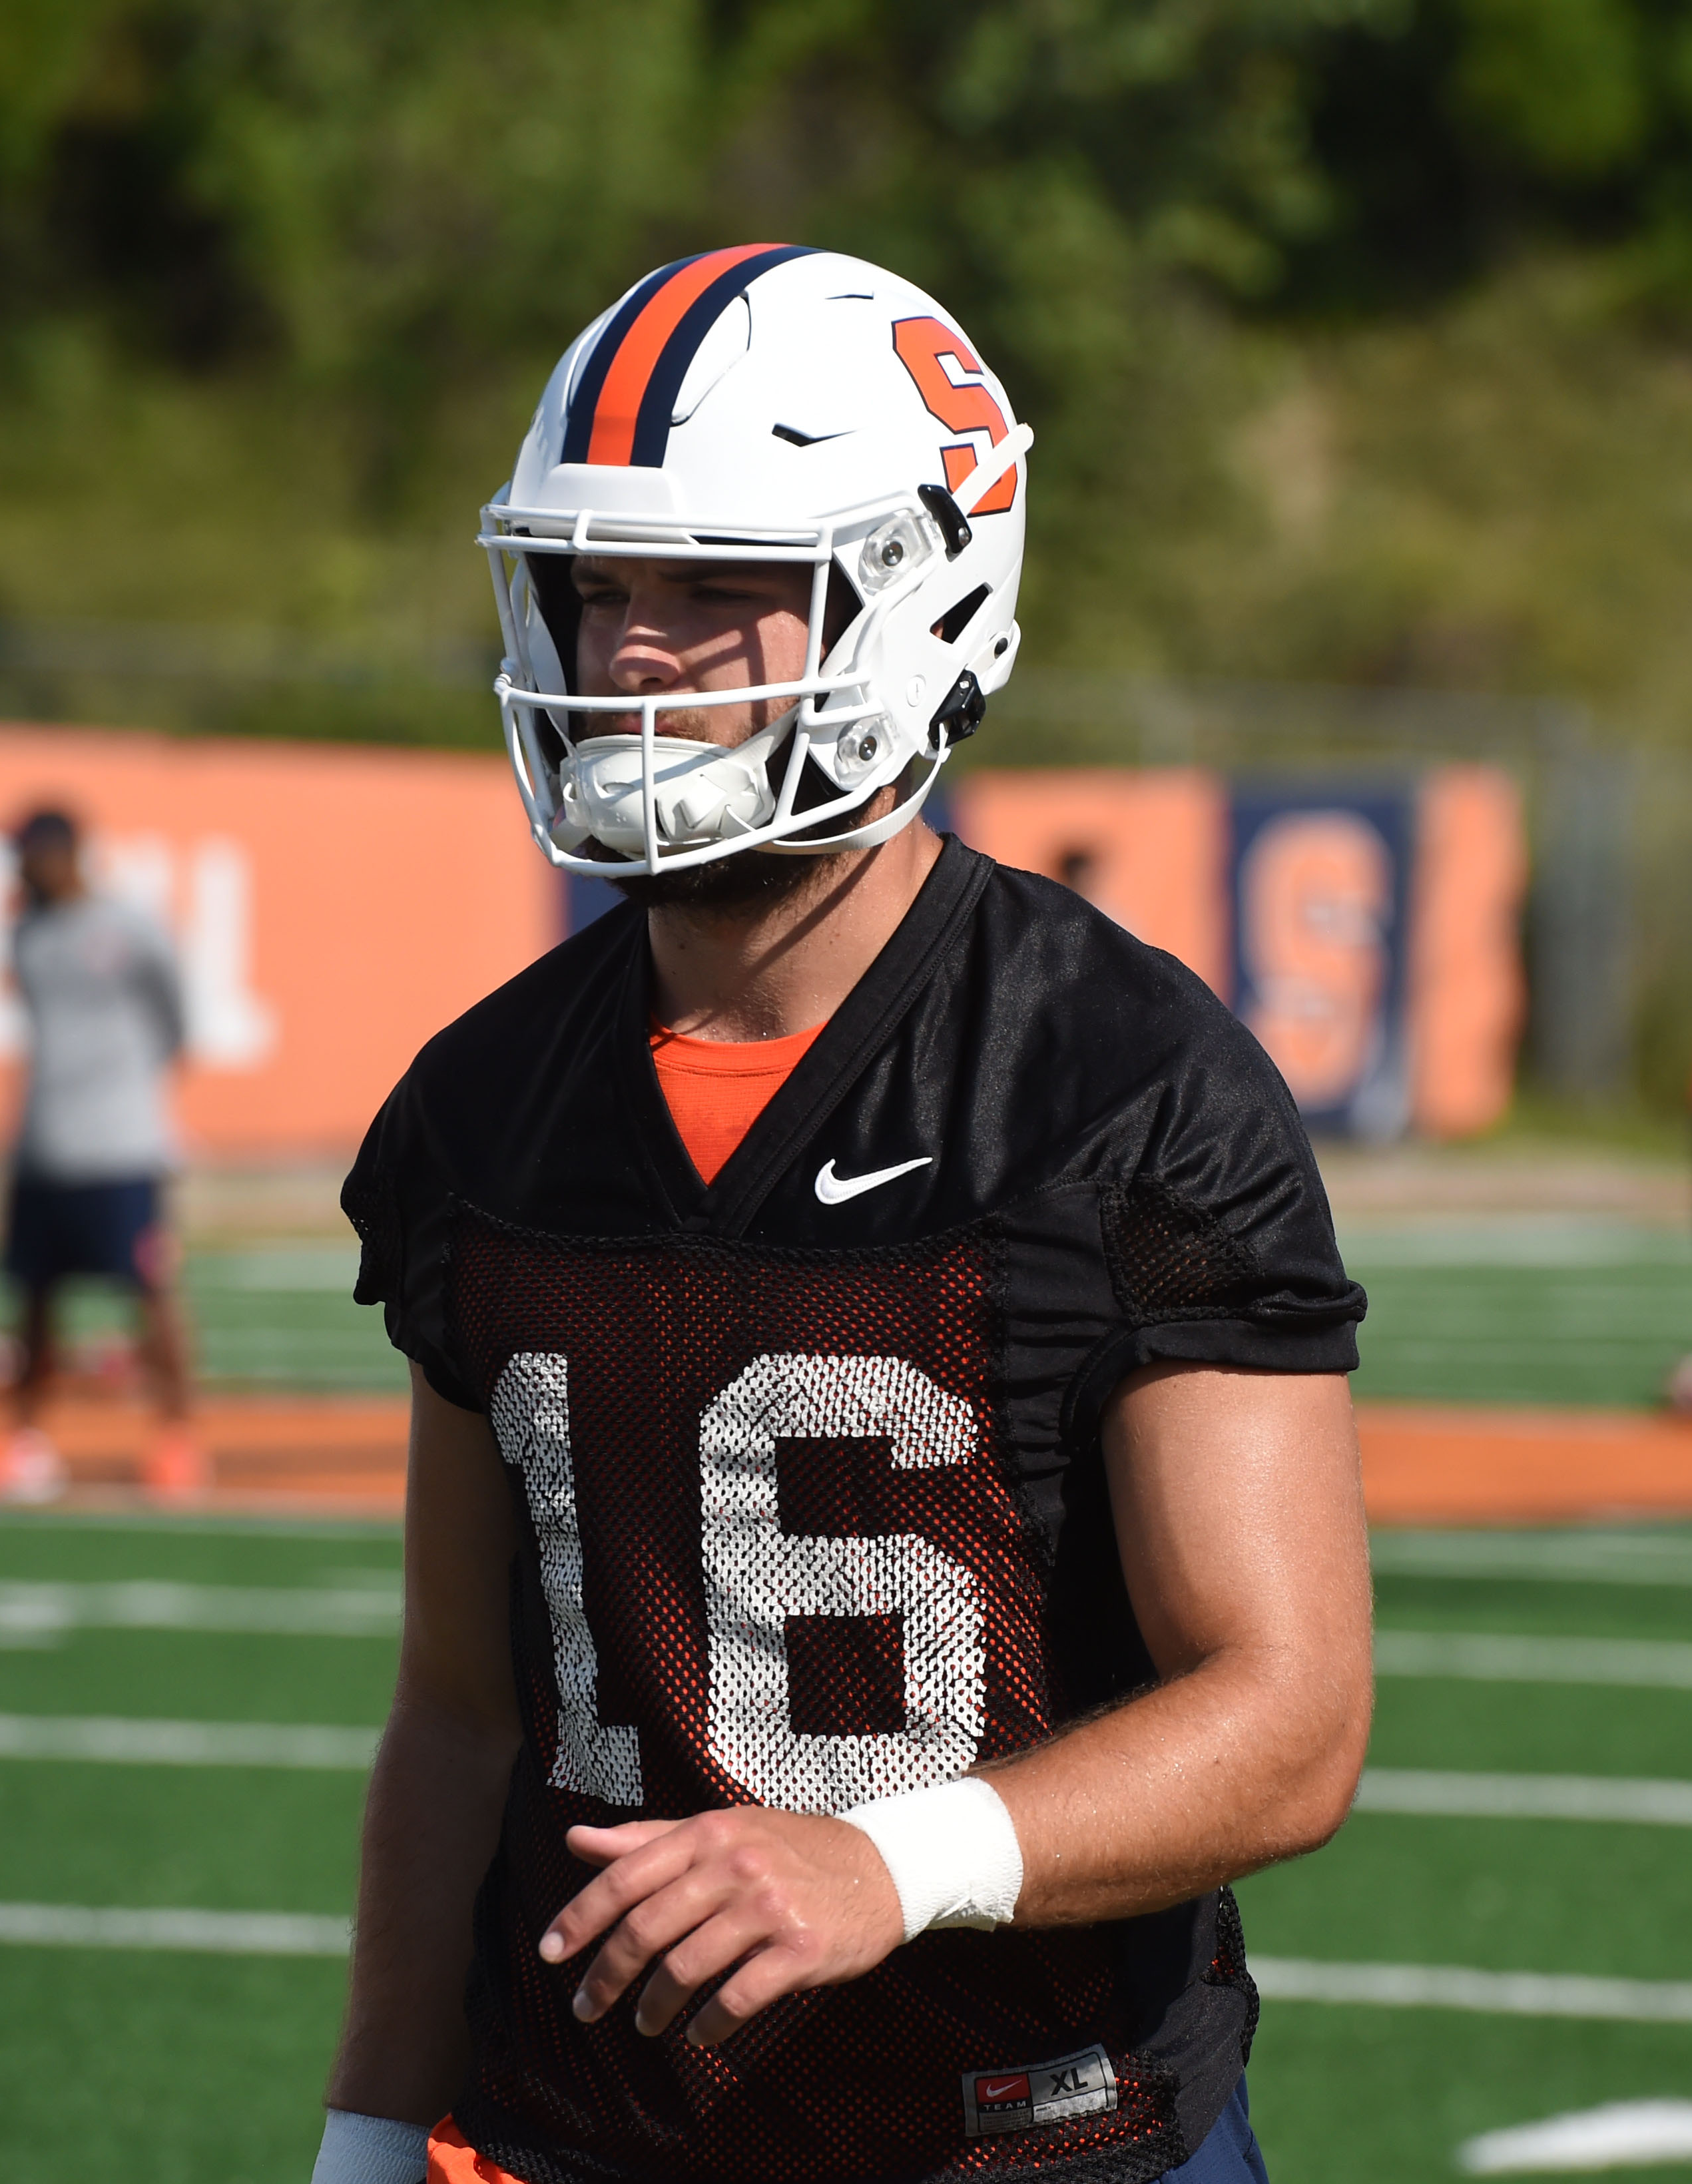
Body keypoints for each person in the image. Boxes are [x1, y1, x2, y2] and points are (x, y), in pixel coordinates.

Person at [318, 246, 1371, 2184]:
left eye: (715, 584)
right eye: (594, 581)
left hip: (1039, 2138)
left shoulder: (1115, 1083)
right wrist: (373, 2133)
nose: (626, 649)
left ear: (920, 588)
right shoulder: (481, 1109)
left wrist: (891, 1857)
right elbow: (458, 1718)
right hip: (586, 2140)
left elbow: (1286, 1711)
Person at [0, 805, 205, 1503]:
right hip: (42, 1148)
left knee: (148, 1294)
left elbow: (176, 1020)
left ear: (66, 852)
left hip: (122, 1149)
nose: (18, 867)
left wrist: (126, 1094)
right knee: (32, 1300)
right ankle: (24, 1441)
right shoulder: (24, 935)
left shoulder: (130, 927)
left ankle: (176, 1440)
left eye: (28, 853)